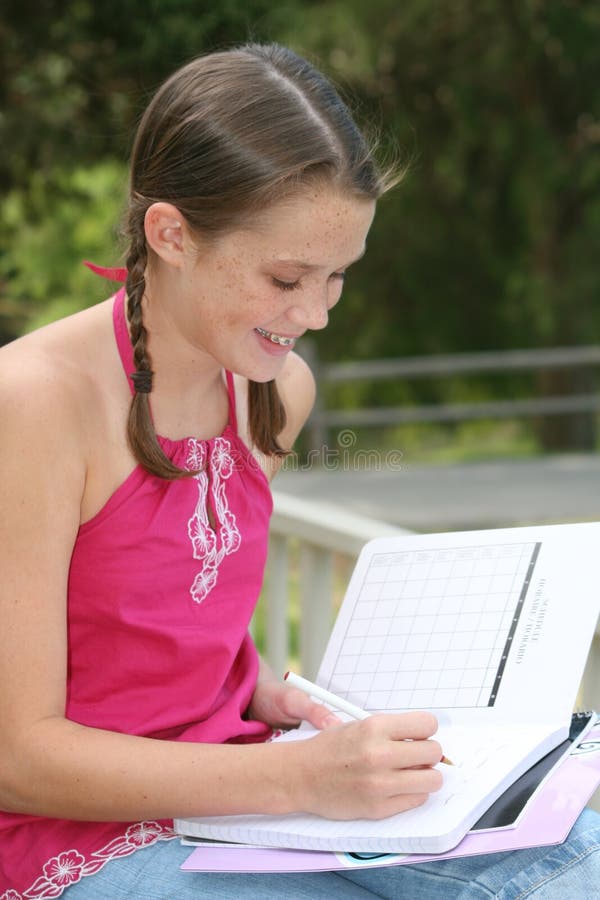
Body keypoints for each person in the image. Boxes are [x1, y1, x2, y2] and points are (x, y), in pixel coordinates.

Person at [0, 42, 598, 900]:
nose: (313, 314)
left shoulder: (273, 391)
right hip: (79, 834)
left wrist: (256, 694)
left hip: (241, 786)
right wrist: (299, 781)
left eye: (338, 279)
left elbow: (169, 599)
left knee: (577, 859)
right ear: (171, 234)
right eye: (286, 277)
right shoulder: (34, 403)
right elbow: (16, 757)